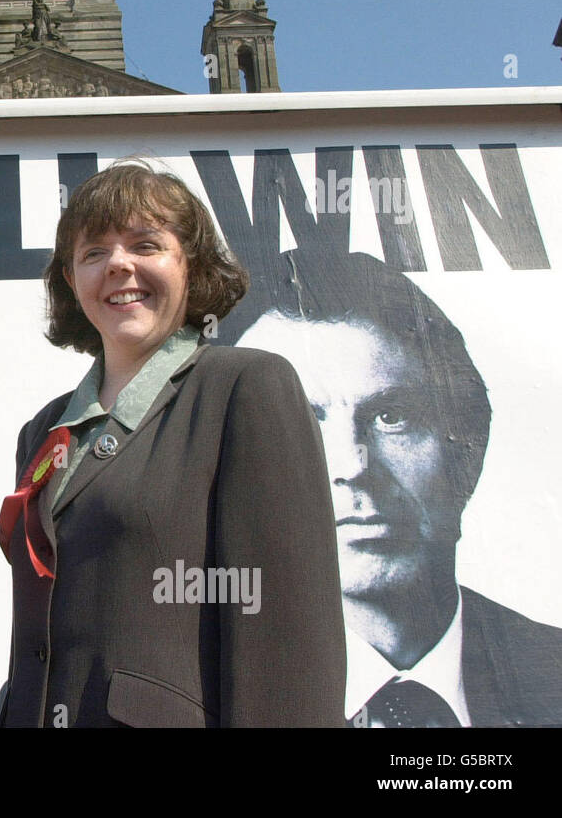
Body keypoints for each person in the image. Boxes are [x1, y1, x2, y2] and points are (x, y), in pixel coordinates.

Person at [0, 161, 346, 727]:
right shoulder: (43, 431)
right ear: (70, 280)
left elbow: (287, 631)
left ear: (191, 265)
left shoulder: (245, 387)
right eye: (93, 253)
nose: (118, 265)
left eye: (146, 245)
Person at [229, 249, 562, 727]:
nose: (352, 465)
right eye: (294, 421)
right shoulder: (189, 692)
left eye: (392, 417)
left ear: (466, 453)